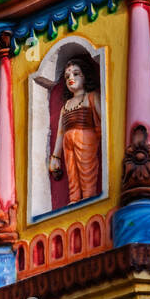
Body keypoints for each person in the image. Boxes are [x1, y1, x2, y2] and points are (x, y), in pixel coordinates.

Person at [49, 59, 102, 203]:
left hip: (86, 138)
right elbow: (60, 132)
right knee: (72, 173)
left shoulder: (91, 96)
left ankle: (89, 198)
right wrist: (55, 157)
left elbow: (103, 120)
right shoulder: (65, 105)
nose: (71, 78)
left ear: (84, 76)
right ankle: (74, 200)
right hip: (67, 142)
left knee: (87, 171)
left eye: (76, 74)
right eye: (67, 76)